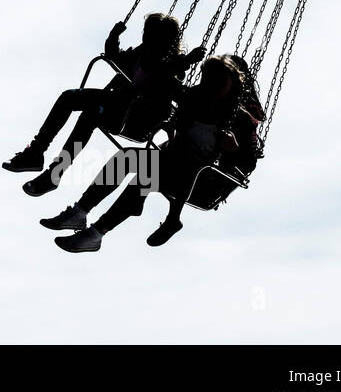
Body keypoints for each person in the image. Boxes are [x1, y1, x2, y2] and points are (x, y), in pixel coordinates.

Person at [50, 54, 248, 253]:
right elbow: (168, 90)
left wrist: (233, 146)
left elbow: (246, 160)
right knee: (126, 158)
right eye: (208, 81)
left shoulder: (238, 117)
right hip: (169, 159)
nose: (211, 88)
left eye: (218, 83)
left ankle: (97, 233)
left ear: (230, 84)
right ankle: (81, 211)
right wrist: (170, 125)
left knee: (145, 179)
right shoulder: (193, 98)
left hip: (196, 177)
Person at [2, 13, 204, 196]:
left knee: (79, 103)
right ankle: (43, 161)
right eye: (146, 32)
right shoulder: (140, 54)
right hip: (113, 106)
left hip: (136, 120)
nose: (146, 37)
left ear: (165, 40)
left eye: (152, 34)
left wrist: (185, 62)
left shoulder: (175, 68)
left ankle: (46, 164)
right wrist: (113, 37)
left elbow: (163, 79)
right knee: (81, 107)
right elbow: (114, 57)